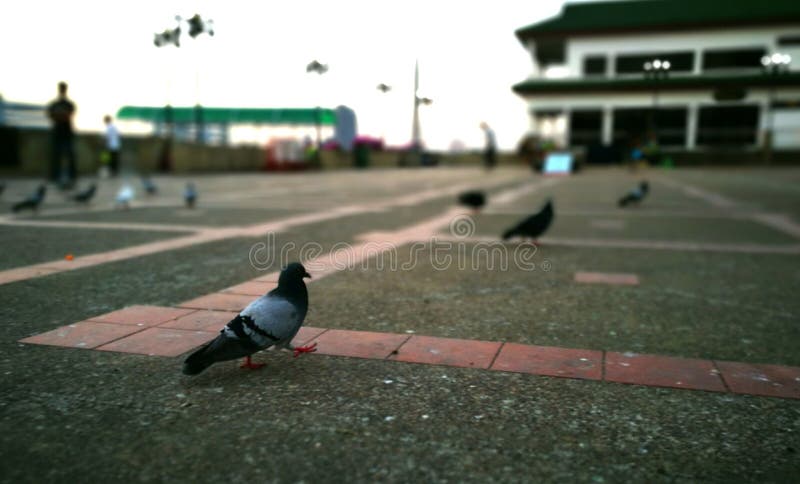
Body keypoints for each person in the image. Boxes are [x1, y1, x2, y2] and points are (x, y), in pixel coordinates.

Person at [47, 82, 77, 188]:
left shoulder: (69, 104)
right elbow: (51, 115)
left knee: (70, 154)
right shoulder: (54, 104)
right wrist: (62, 116)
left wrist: (59, 115)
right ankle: (54, 176)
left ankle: (72, 176)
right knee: (56, 155)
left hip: (67, 132)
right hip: (58, 132)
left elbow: (68, 115)